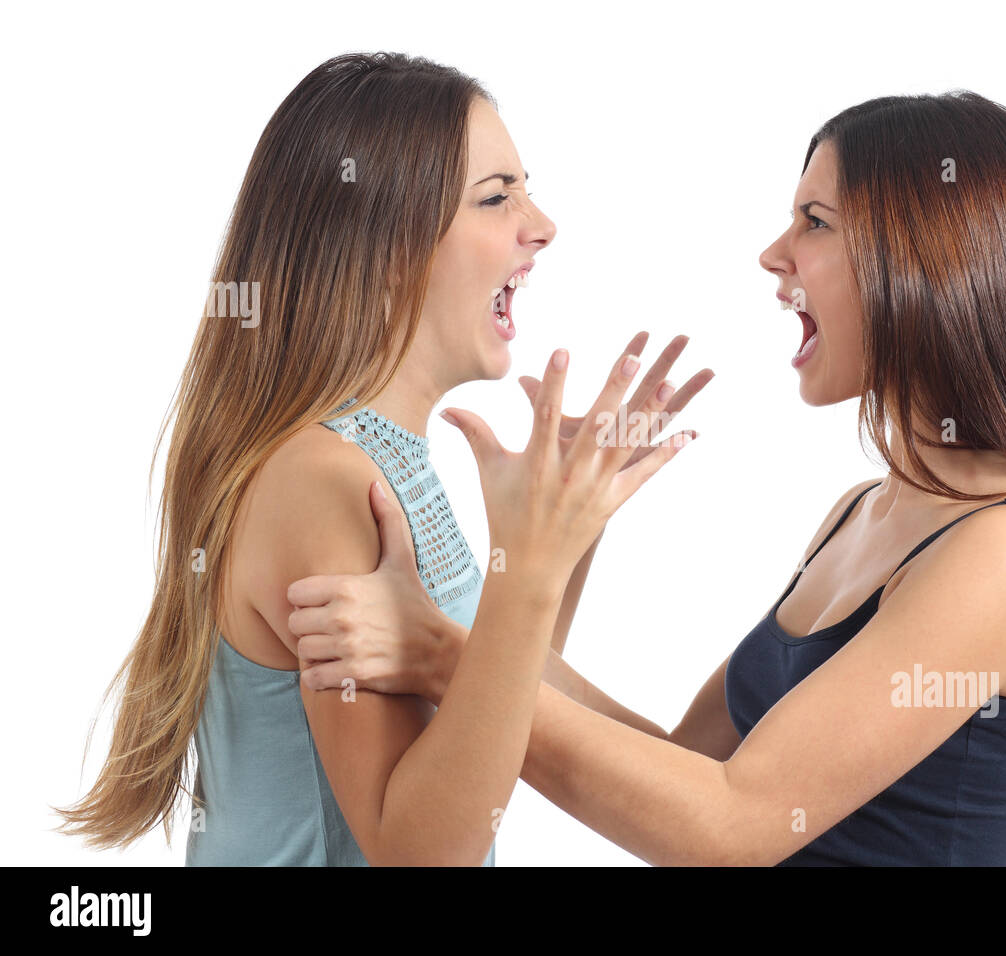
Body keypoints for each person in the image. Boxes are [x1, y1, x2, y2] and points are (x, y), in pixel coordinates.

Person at [288, 92, 1006, 865]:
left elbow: (728, 831)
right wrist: (567, 540)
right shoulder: (865, 512)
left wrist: (441, 656)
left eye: (815, 222)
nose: (773, 253)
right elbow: (689, 770)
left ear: (930, 260)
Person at [55, 51, 708, 866]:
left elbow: (490, 718)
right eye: (498, 197)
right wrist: (528, 567)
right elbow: (423, 853)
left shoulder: (371, 462)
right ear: (385, 244)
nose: (542, 225)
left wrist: (564, 538)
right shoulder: (327, 483)